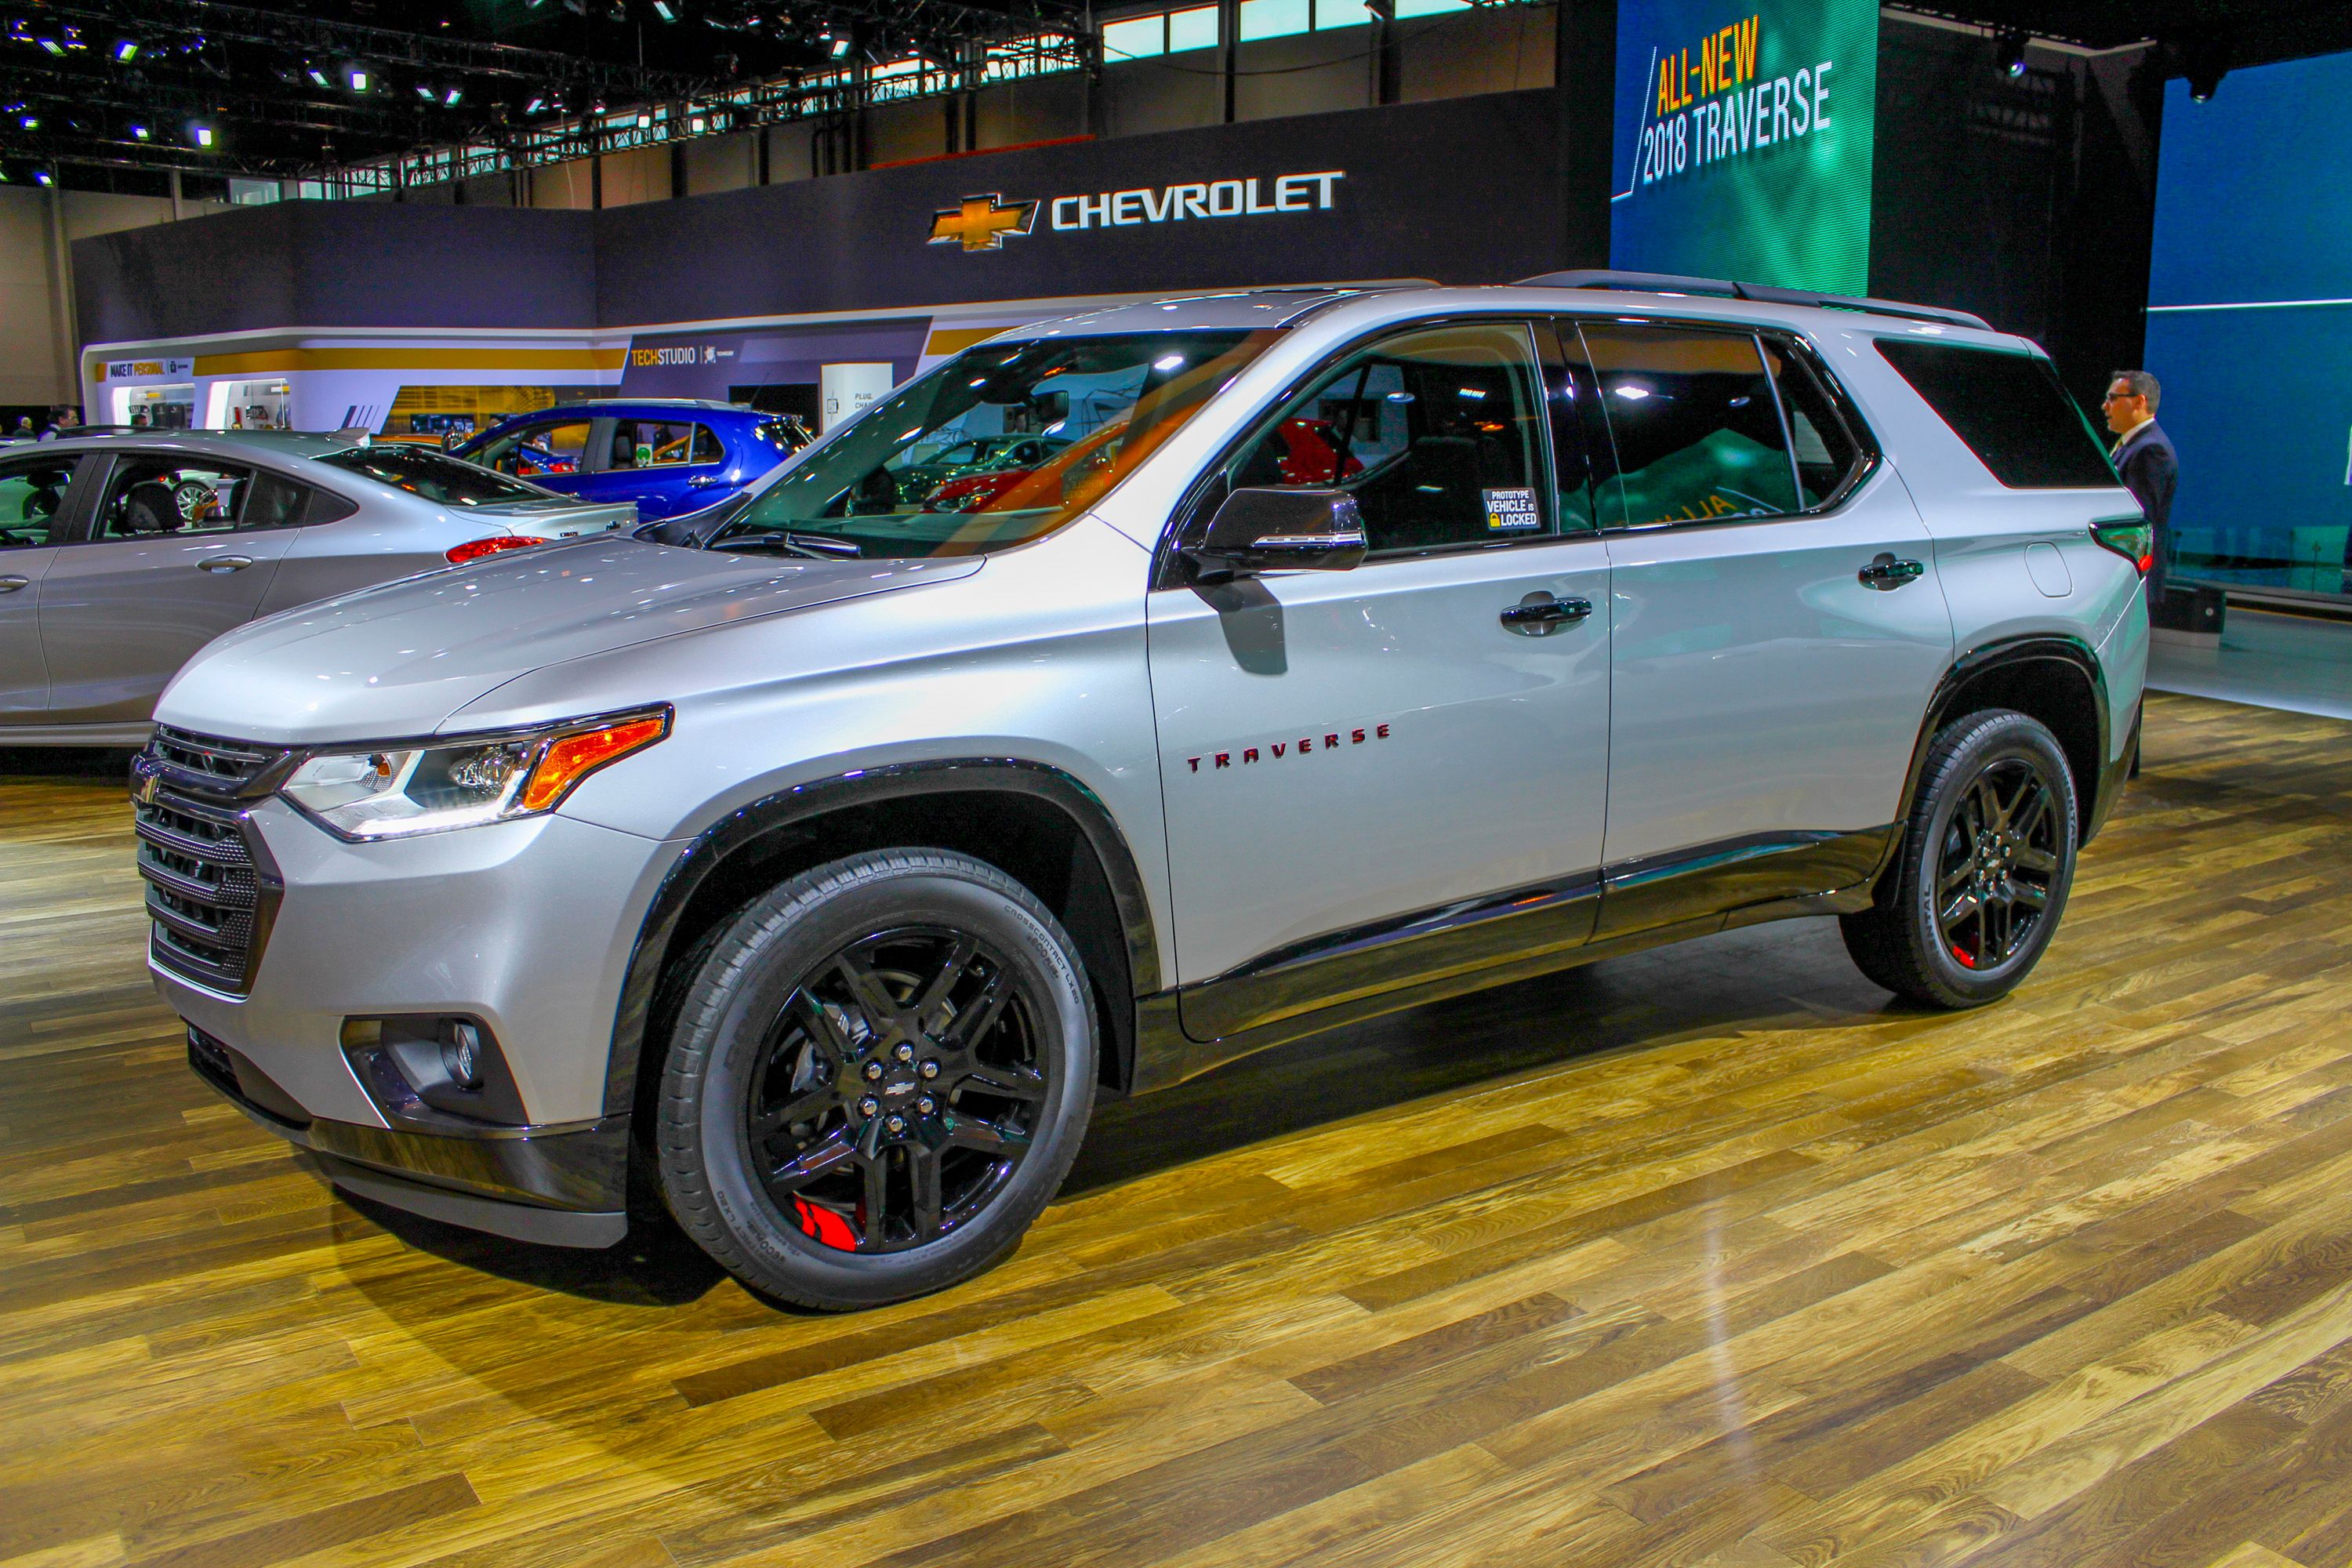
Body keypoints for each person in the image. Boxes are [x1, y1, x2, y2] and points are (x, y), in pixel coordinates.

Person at [2103, 370, 2177, 602]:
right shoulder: (2132, 445)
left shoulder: (2151, 449)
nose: (2105, 407)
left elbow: (2137, 519)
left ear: (2139, 401)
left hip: (2132, 578)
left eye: (2114, 398)